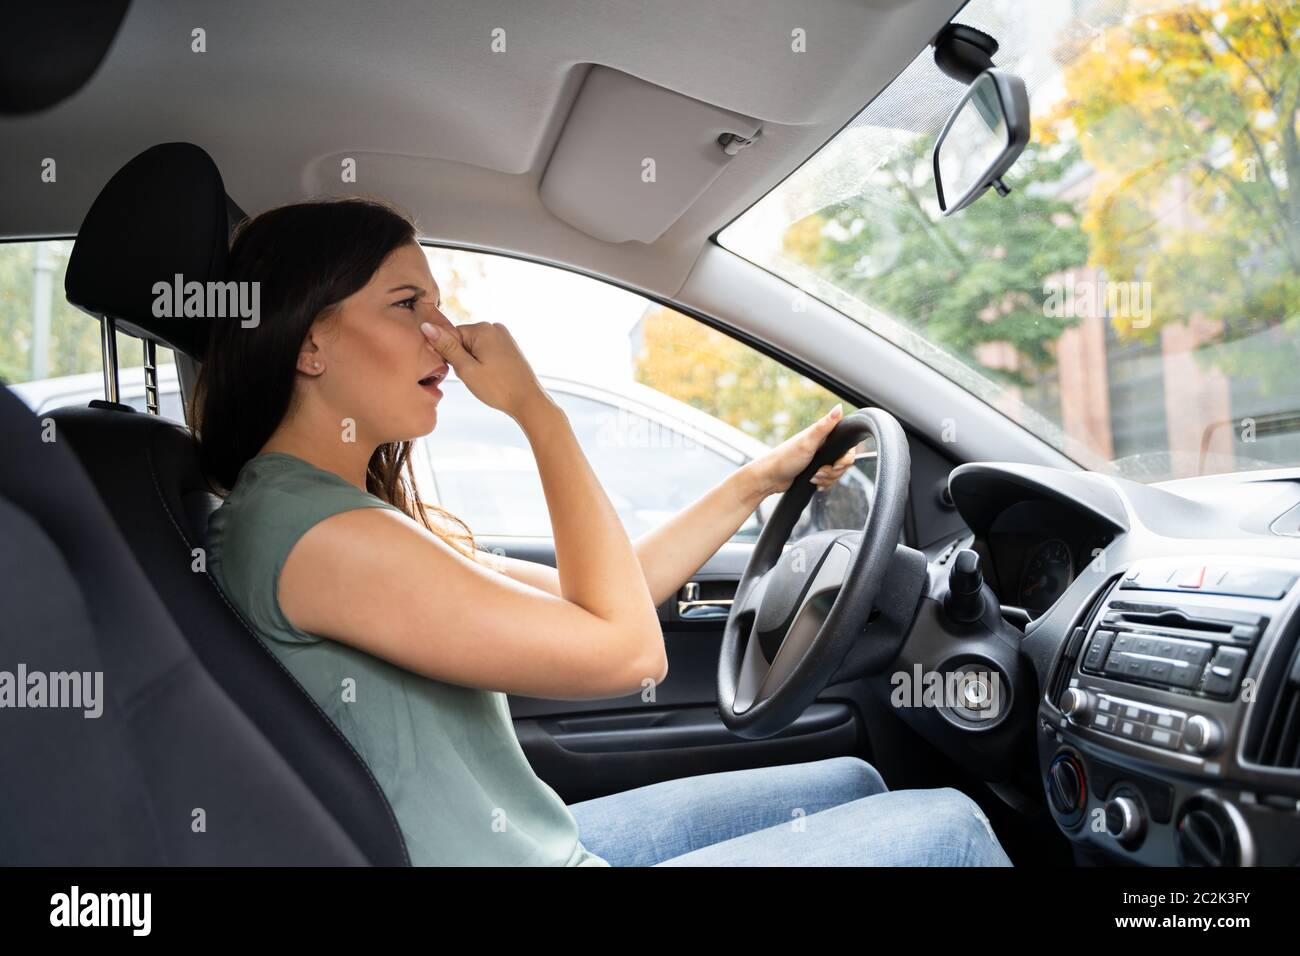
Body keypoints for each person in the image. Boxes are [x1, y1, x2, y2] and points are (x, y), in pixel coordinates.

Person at [197, 196, 1012, 867]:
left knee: (853, 783)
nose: (443, 335)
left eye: (439, 306)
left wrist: (757, 482)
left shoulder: (324, 513)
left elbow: (607, 598)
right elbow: (631, 651)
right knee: (952, 830)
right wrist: (536, 413)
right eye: (408, 305)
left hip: (537, 847)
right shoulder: (320, 536)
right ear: (310, 343)